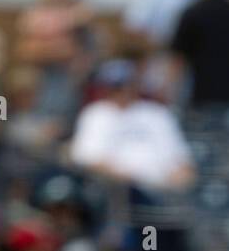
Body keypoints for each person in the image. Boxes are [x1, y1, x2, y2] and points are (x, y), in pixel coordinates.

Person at [67, 59, 194, 192]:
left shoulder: (158, 113)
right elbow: (86, 158)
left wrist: (174, 183)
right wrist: (133, 179)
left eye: (126, 85)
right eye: (116, 87)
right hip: (116, 193)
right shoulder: (95, 113)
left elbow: (183, 163)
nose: (122, 91)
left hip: (161, 192)